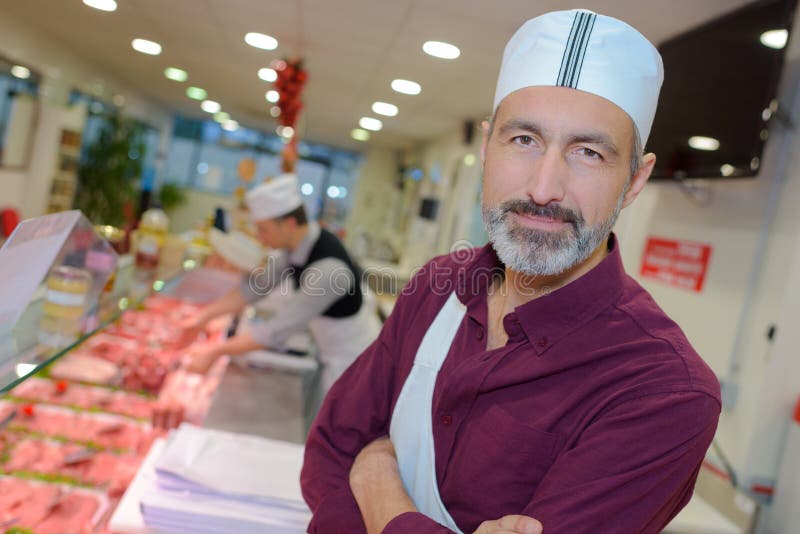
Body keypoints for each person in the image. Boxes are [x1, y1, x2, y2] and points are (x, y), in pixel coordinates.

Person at [300, 9, 721, 534]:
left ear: (634, 181)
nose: (544, 188)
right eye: (523, 140)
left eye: (588, 152)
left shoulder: (662, 391)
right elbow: (329, 455)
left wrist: (378, 485)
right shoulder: (440, 285)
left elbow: (356, 463)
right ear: (486, 147)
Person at [179, 173, 382, 392]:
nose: (259, 237)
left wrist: (215, 350)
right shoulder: (293, 248)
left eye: (263, 229)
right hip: (329, 349)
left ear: (289, 224)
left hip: (355, 360)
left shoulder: (328, 272)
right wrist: (202, 317)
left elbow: (274, 332)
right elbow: (253, 290)